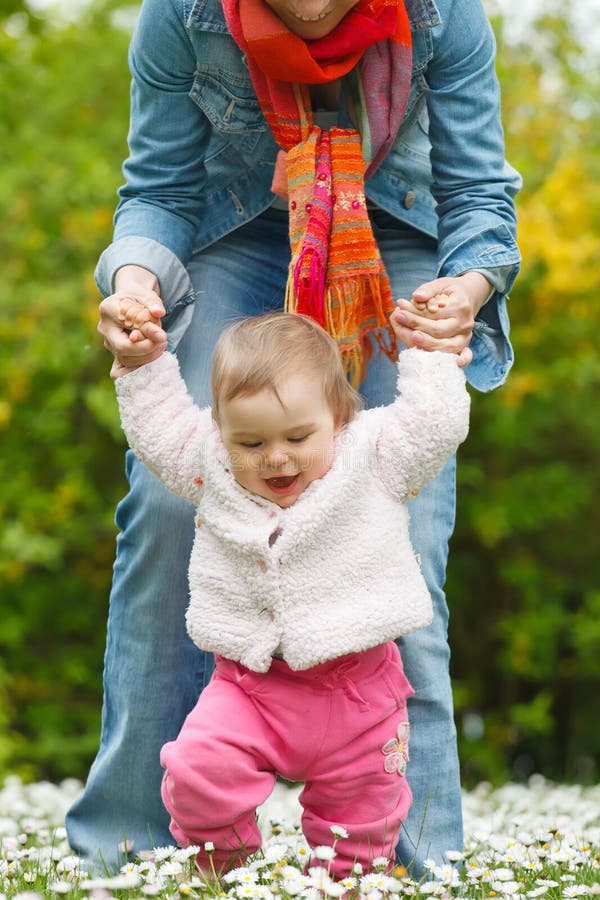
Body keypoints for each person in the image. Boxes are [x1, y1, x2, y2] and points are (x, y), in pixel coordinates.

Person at [66, 0, 521, 875]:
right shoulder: (182, 16)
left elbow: (477, 196)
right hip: (233, 233)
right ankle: (131, 851)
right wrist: (134, 284)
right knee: (170, 504)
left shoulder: (444, 15)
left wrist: (463, 294)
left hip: (400, 234)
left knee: (403, 524)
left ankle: (409, 865)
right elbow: (159, 191)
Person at [110, 307, 470, 876]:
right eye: (250, 441)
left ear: (338, 417)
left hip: (359, 697)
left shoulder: (373, 456)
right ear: (220, 430)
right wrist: (142, 365)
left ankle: (343, 885)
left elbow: (434, 426)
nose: (276, 457)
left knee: (360, 834)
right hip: (249, 687)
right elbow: (159, 430)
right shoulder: (212, 465)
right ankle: (225, 870)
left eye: (298, 437)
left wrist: (432, 356)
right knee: (197, 772)